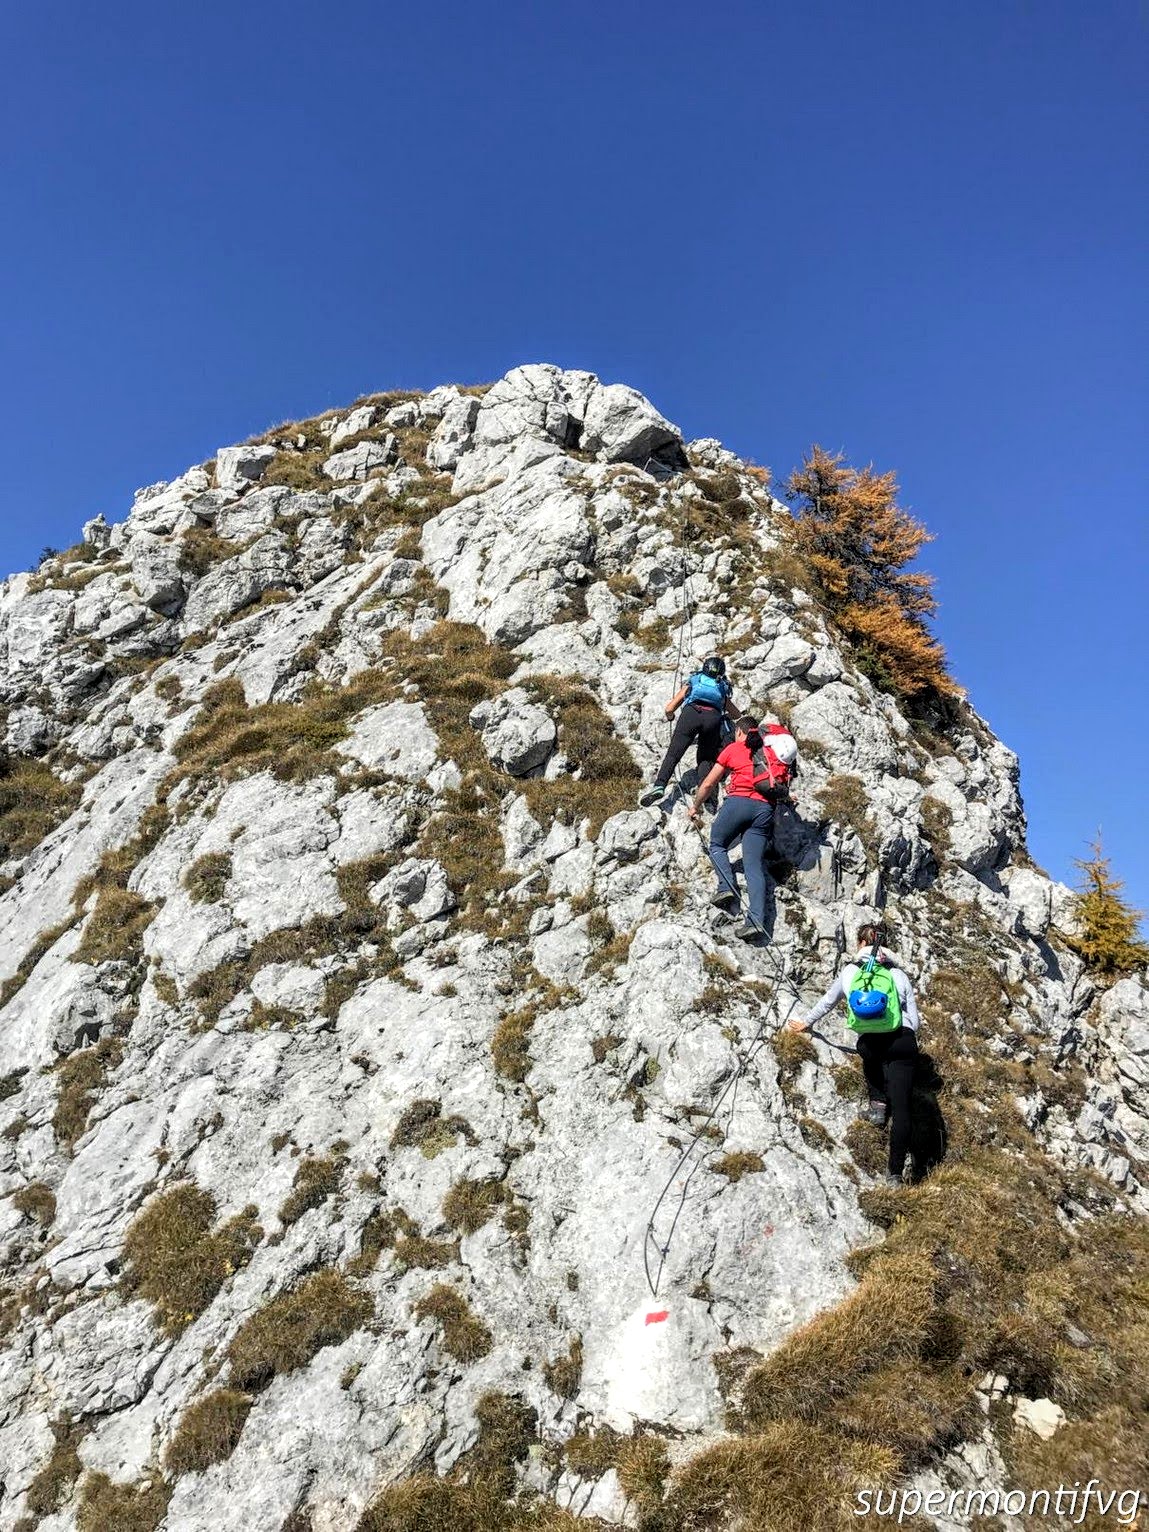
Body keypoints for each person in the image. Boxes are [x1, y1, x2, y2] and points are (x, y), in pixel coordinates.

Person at [787, 925, 922, 1186]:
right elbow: (914, 1021)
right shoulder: (898, 974)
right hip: (903, 1041)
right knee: (903, 1109)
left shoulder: (851, 971)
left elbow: (828, 1001)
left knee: (867, 1050)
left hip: (871, 1043)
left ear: (861, 943)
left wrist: (806, 1022)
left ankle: (878, 1106)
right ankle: (894, 1174)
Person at [686, 715, 775, 942]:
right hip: (765, 809)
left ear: (739, 732)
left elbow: (708, 782)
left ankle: (726, 887)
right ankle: (756, 921)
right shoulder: (769, 752)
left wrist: (695, 806)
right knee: (753, 866)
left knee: (717, 844)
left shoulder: (734, 749)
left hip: (739, 802)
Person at [638, 657, 737, 808]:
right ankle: (706, 793)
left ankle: (659, 786)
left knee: (673, 754)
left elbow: (669, 709)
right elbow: (736, 714)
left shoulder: (695, 681)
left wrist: (670, 717)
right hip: (712, 718)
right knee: (705, 757)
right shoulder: (721, 687)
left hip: (690, 714)